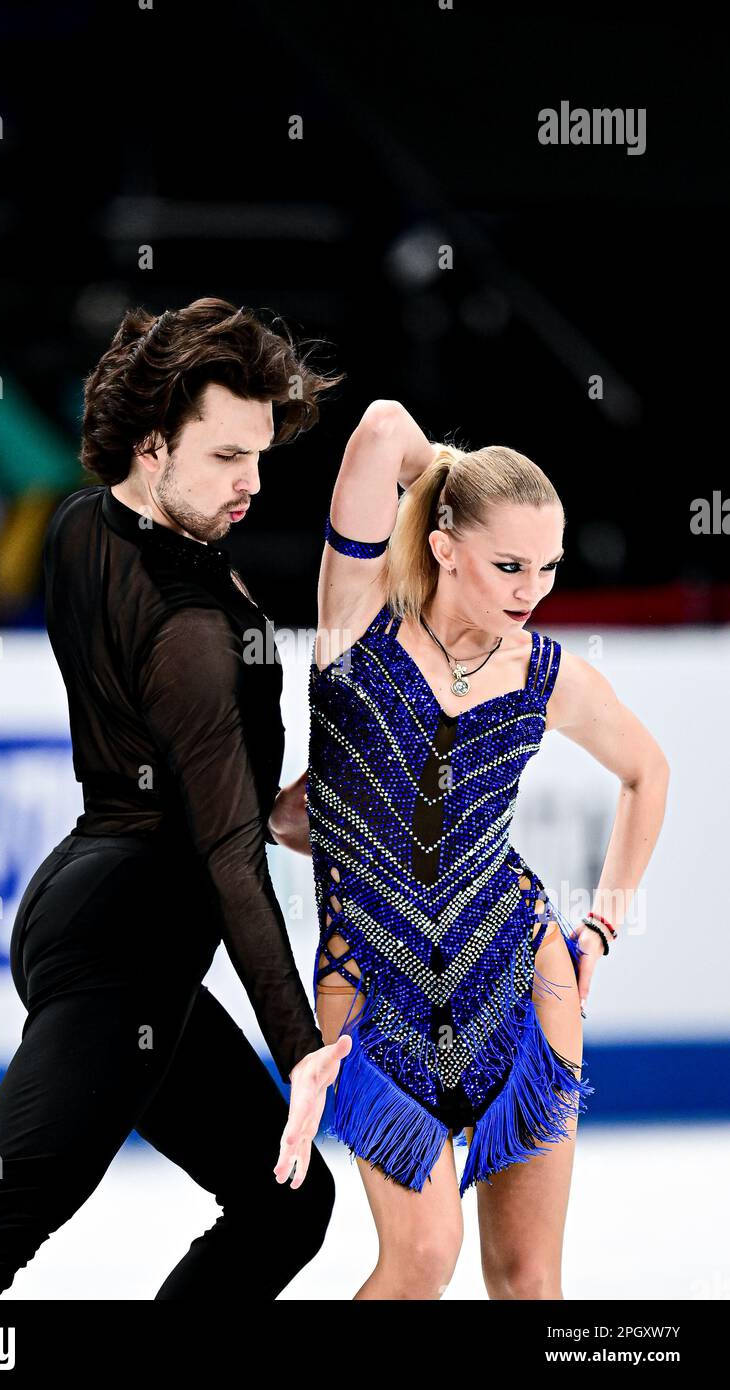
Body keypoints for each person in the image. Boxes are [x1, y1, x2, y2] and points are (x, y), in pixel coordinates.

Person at [0, 297, 350, 1300]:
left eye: (259, 456)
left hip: (99, 900)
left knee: (286, 1200)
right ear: (153, 443)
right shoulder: (192, 624)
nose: (252, 484)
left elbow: (171, 766)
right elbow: (227, 864)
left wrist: (265, 806)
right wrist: (300, 1051)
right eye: (226, 456)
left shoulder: (82, 525)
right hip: (128, 946)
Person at [301, 400, 670, 1300]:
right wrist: (444, 479)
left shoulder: (546, 674)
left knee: (527, 1281)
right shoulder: (357, 621)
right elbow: (383, 425)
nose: (531, 590)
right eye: (508, 564)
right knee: (423, 1256)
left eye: (546, 566)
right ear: (441, 545)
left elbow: (647, 772)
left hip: (518, 971)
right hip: (370, 984)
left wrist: (602, 928)